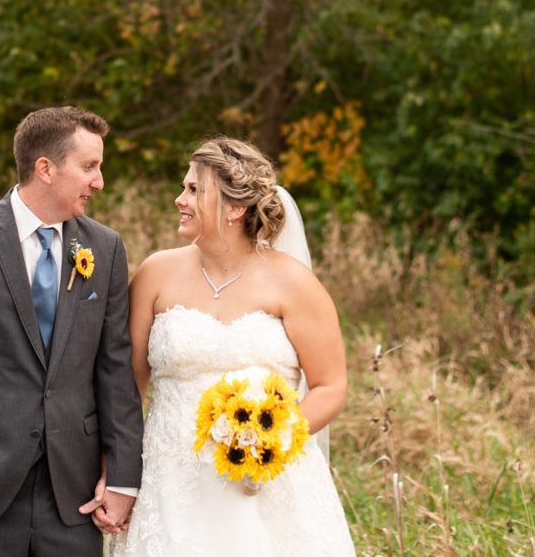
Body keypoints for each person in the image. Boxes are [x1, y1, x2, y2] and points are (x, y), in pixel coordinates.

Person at [0, 106, 144, 556]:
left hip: (73, 495)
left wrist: (124, 476)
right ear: (45, 168)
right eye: (89, 166)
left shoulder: (105, 248)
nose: (100, 182)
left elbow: (115, 370)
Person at [113, 137, 355, 555]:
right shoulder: (156, 273)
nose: (179, 199)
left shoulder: (294, 283)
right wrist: (116, 474)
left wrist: (271, 440)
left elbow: (330, 386)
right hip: (172, 484)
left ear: (235, 208)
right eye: (183, 187)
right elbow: (126, 387)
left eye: (193, 190)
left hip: (268, 488)